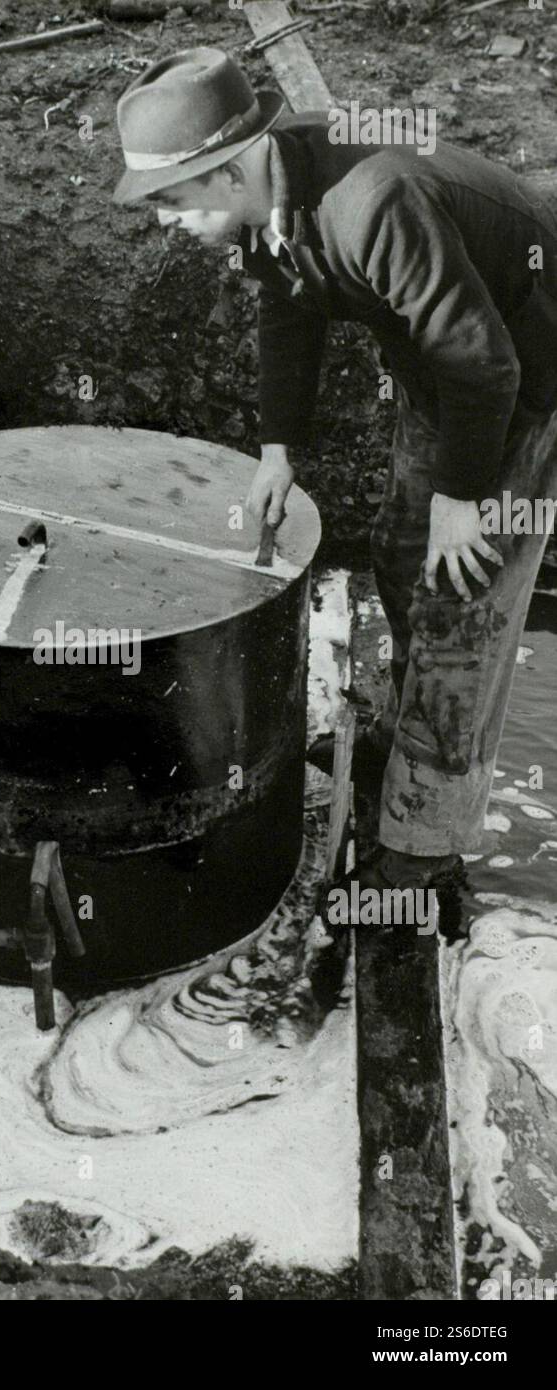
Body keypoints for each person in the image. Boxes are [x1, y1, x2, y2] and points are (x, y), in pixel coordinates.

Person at [112, 48, 557, 895]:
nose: (164, 219)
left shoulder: (372, 202)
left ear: (232, 169)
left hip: (525, 371)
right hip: (443, 365)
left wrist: (463, 501)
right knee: (400, 554)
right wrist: (281, 444)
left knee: (465, 600)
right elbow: (289, 304)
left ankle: (424, 846)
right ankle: (401, 741)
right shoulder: (269, 200)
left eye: (171, 199)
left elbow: (487, 365)